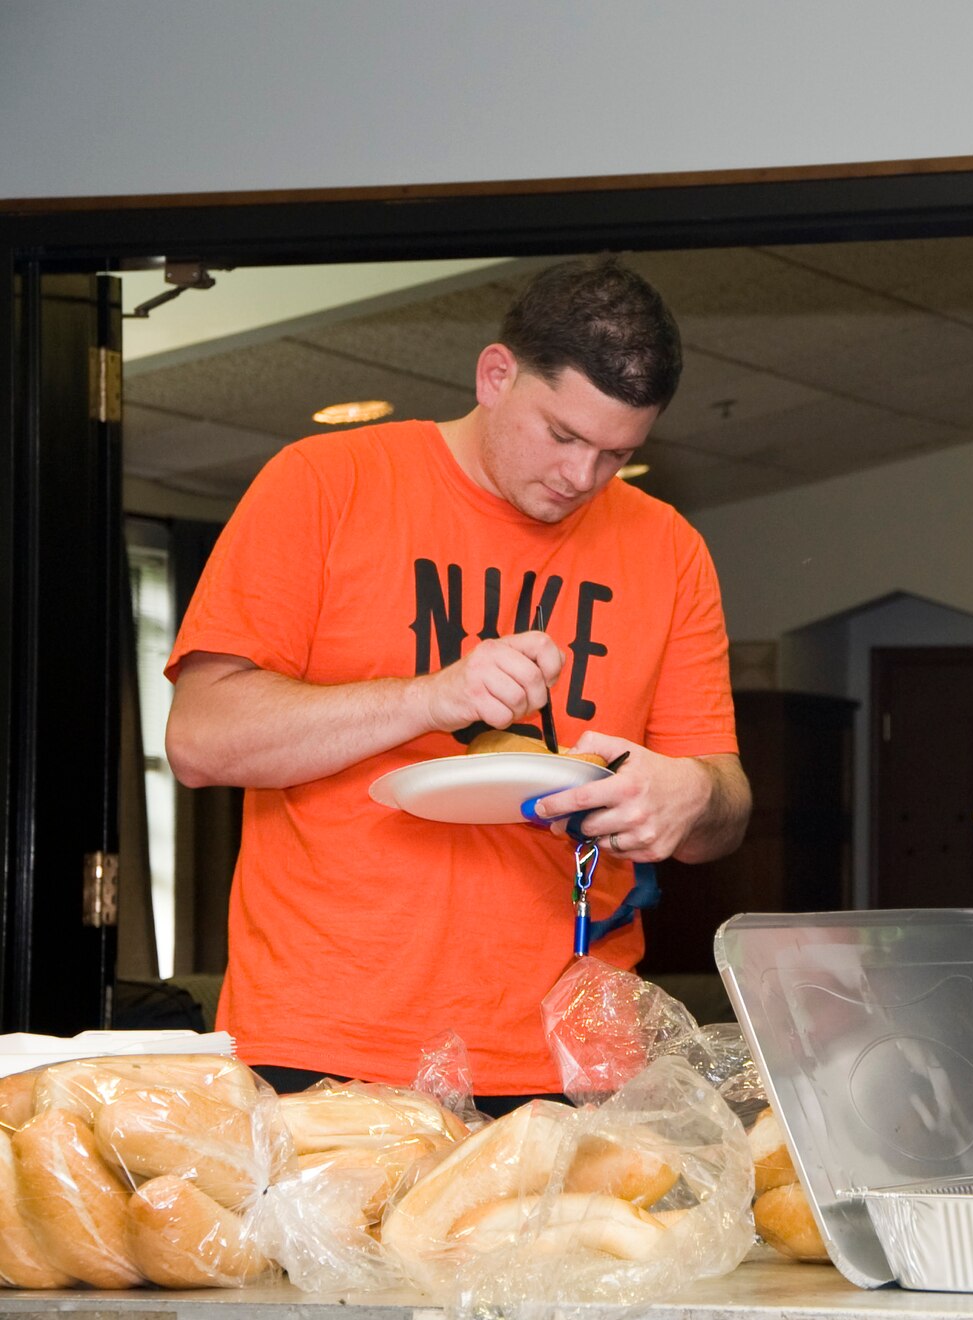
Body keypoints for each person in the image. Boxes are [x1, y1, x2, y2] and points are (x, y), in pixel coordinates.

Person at [165, 256, 751, 1113]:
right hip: (328, 1044)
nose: (581, 479)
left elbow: (727, 807)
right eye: (562, 435)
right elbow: (199, 740)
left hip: (575, 1063)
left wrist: (689, 793)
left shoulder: (669, 549)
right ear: (495, 375)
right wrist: (430, 698)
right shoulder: (325, 484)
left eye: (617, 454)